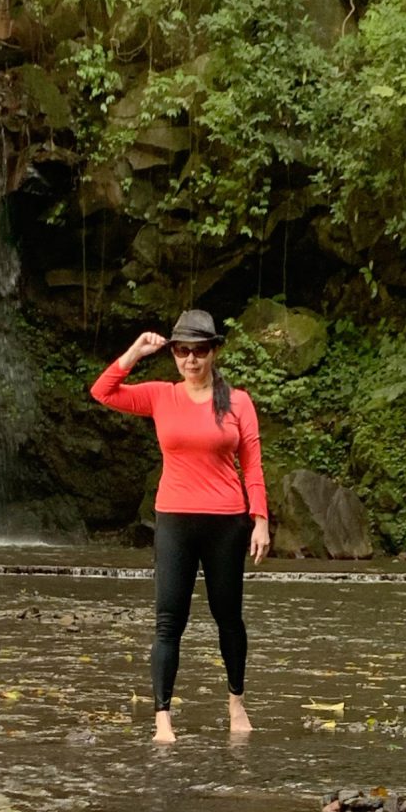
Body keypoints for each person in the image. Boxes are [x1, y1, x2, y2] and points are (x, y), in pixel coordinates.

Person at [91, 309, 270, 744]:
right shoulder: (160, 396)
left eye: (200, 350)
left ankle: (236, 704)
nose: (191, 360)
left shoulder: (239, 401)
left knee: (228, 617)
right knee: (169, 621)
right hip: (174, 519)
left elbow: (253, 464)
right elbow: (103, 391)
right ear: (173, 354)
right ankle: (162, 718)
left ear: (214, 352)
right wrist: (136, 351)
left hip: (226, 521)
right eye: (183, 351)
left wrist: (260, 520)